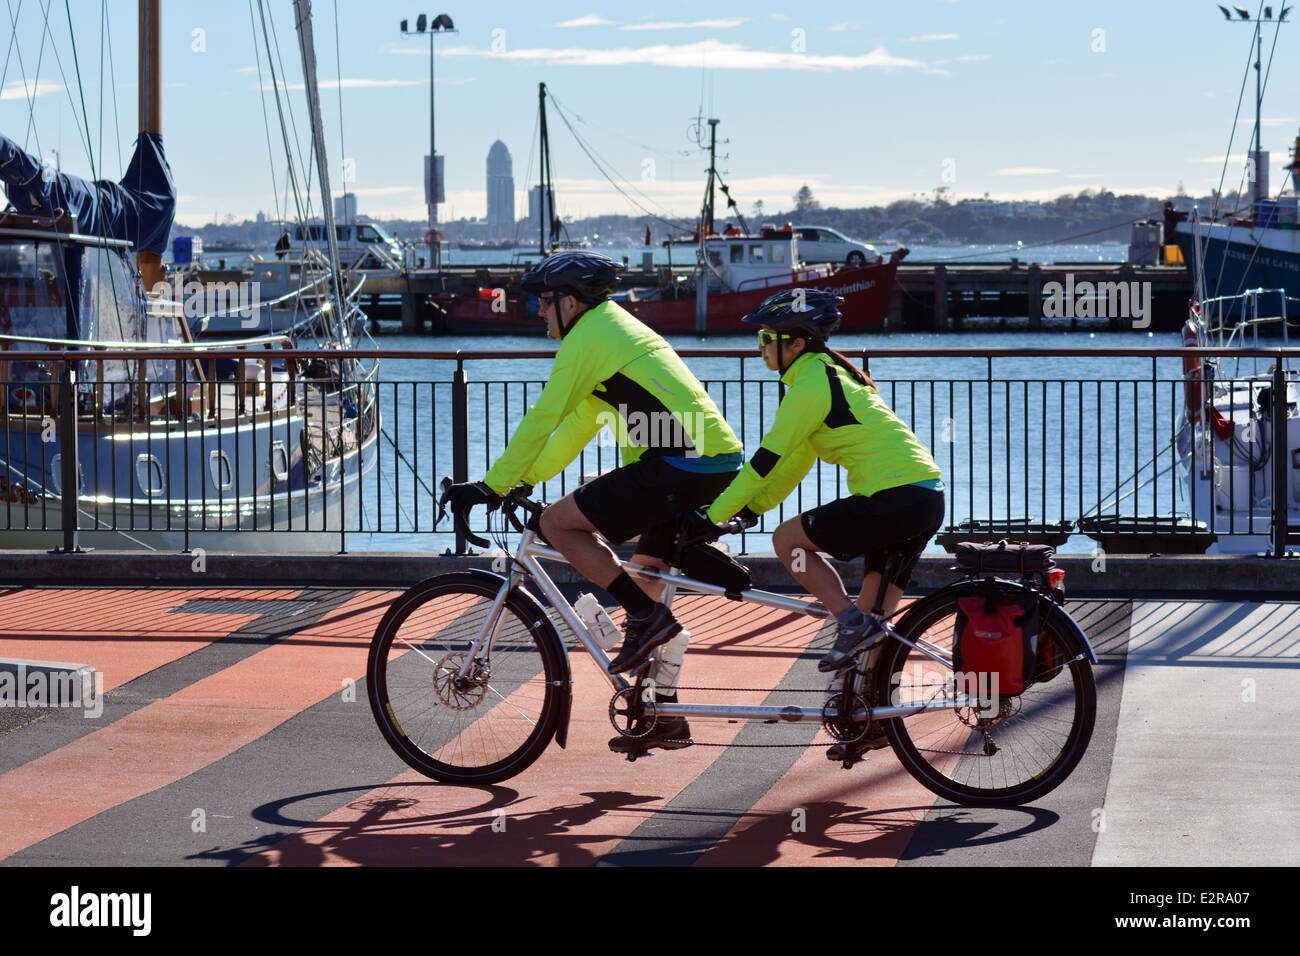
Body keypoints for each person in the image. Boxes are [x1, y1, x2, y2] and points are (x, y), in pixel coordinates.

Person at [440, 250, 744, 752]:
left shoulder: (588, 338)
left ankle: (648, 622)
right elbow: (577, 427)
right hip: (702, 461)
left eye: (544, 301)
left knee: (560, 526)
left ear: (571, 301)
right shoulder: (610, 331)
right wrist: (525, 479)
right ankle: (660, 712)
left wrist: (493, 486)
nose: (538, 311)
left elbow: (543, 416)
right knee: (645, 575)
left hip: (683, 464)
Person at [702, 287, 945, 761]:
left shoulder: (812, 381)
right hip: (922, 498)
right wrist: (749, 509)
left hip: (894, 498)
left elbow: (765, 460)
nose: (759, 347)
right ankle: (870, 721)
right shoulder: (825, 376)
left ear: (794, 343)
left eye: (765, 338)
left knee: (788, 541)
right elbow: (793, 463)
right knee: (878, 629)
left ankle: (845, 621)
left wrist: (710, 517)